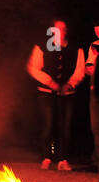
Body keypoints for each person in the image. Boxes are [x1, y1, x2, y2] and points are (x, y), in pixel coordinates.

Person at [26, 19, 84, 170]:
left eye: (63, 29)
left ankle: (63, 159)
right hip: (46, 93)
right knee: (47, 125)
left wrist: (70, 84)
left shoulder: (76, 48)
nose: (60, 32)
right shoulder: (41, 47)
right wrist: (49, 82)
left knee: (65, 126)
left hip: (68, 93)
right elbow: (33, 68)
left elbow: (80, 70)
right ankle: (46, 156)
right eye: (57, 29)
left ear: (66, 31)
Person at [85, 17, 99, 169]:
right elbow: (89, 68)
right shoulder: (95, 45)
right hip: (97, 91)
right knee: (96, 127)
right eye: (97, 32)